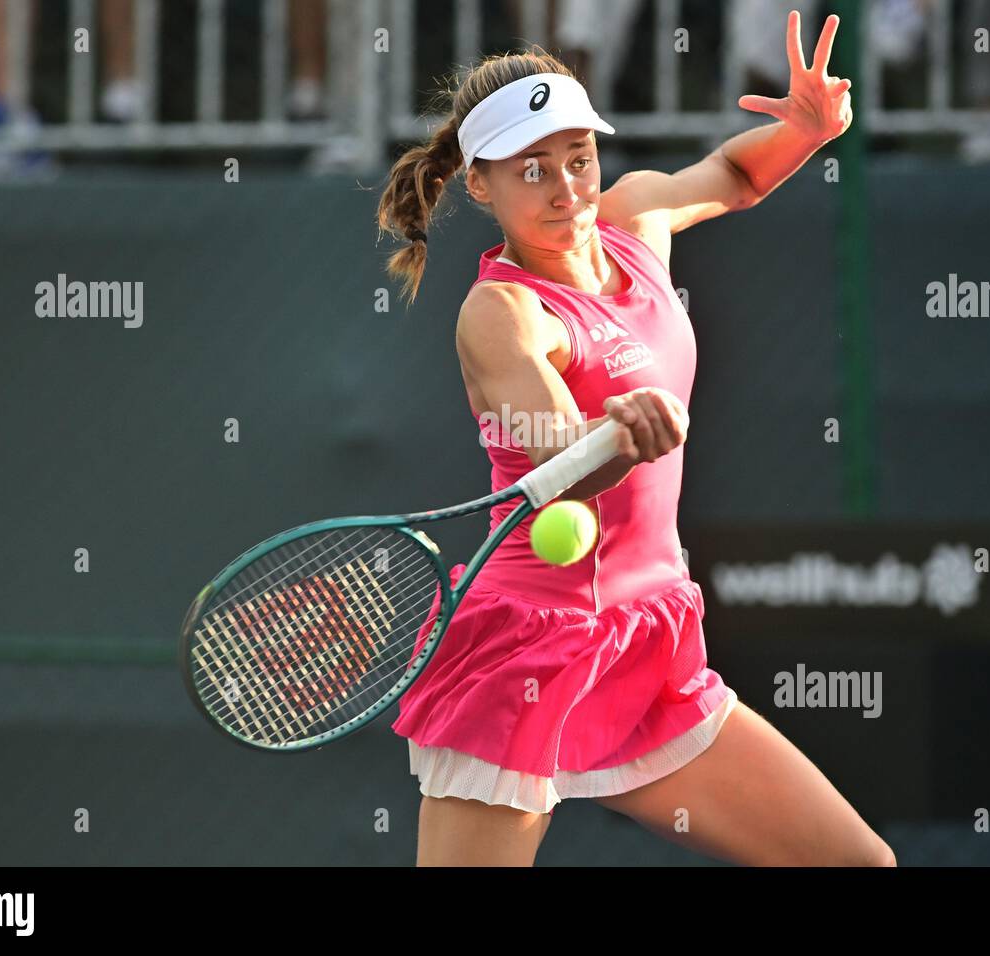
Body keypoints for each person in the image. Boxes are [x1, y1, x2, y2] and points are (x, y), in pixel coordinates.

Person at [376, 10, 895, 868]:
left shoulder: (635, 217)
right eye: (532, 170)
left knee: (858, 864)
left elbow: (730, 173)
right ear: (480, 184)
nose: (567, 188)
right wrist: (607, 435)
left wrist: (802, 132)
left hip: (648, 637)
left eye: (579, 159)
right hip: (524, 649)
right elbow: (554, 459)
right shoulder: (500, 313)